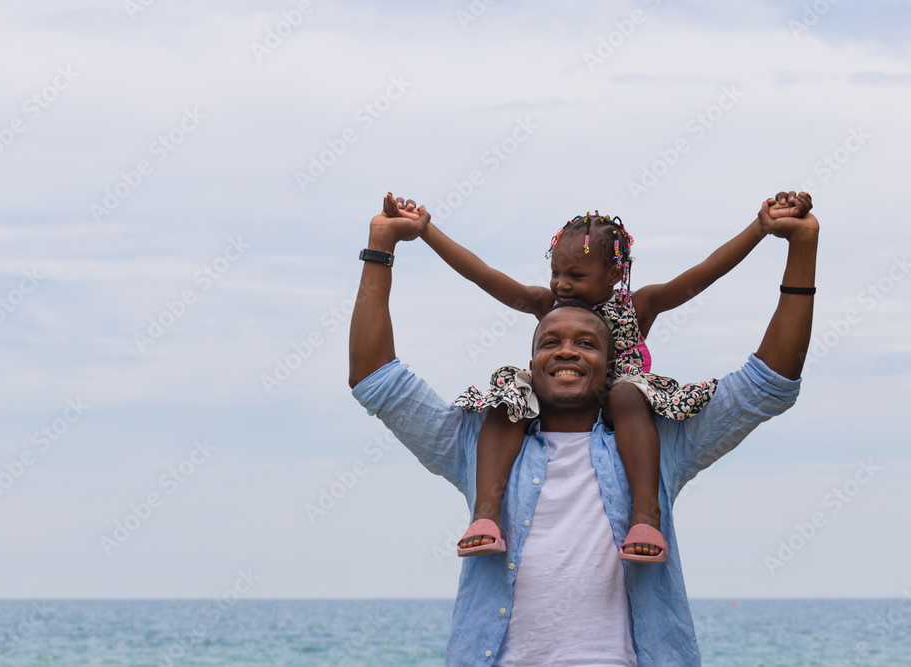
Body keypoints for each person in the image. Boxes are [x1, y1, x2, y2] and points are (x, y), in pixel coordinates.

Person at [348, 192, 818, 666]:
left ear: (611, 360)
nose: (568, 351)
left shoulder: (654, 445)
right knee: (502, 405)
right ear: (531, 361)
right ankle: (486, 516)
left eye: (587, 343)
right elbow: (377, 380)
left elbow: (767, 384)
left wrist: (796, 245)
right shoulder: (480, 440)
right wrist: (383, 244)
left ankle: (645, 517)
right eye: (550, 340)